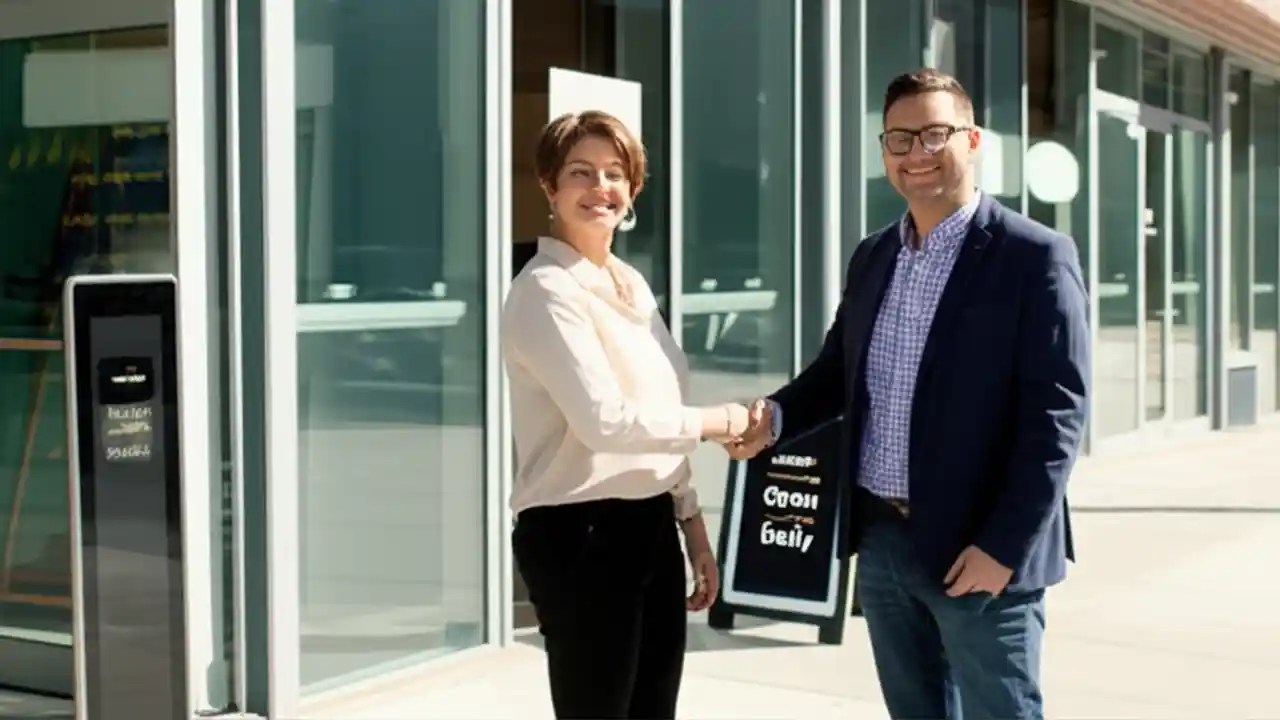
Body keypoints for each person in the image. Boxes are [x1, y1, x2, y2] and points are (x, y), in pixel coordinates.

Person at [730, 68, 1090, 719]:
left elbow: (1056, 417)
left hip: (981, 554)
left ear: (973, 140)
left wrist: (1003, 548)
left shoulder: (1034, 256)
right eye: (900, 139)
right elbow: (837, 372)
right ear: (883, 151)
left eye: (934, 134)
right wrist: (776, 415)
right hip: (885, 543)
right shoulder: (874, 257)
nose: (916, 154)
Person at [501, 109, 750, 719]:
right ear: (549, 186)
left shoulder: (629, 283)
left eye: (616, 173)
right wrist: (722, 421)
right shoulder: (545, 289)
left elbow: (656, 411)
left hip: (648, 527)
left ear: (633, 189)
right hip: (578, 536)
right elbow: (606, 422)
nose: (600, 187)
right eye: (581, 172)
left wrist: (690, 524)